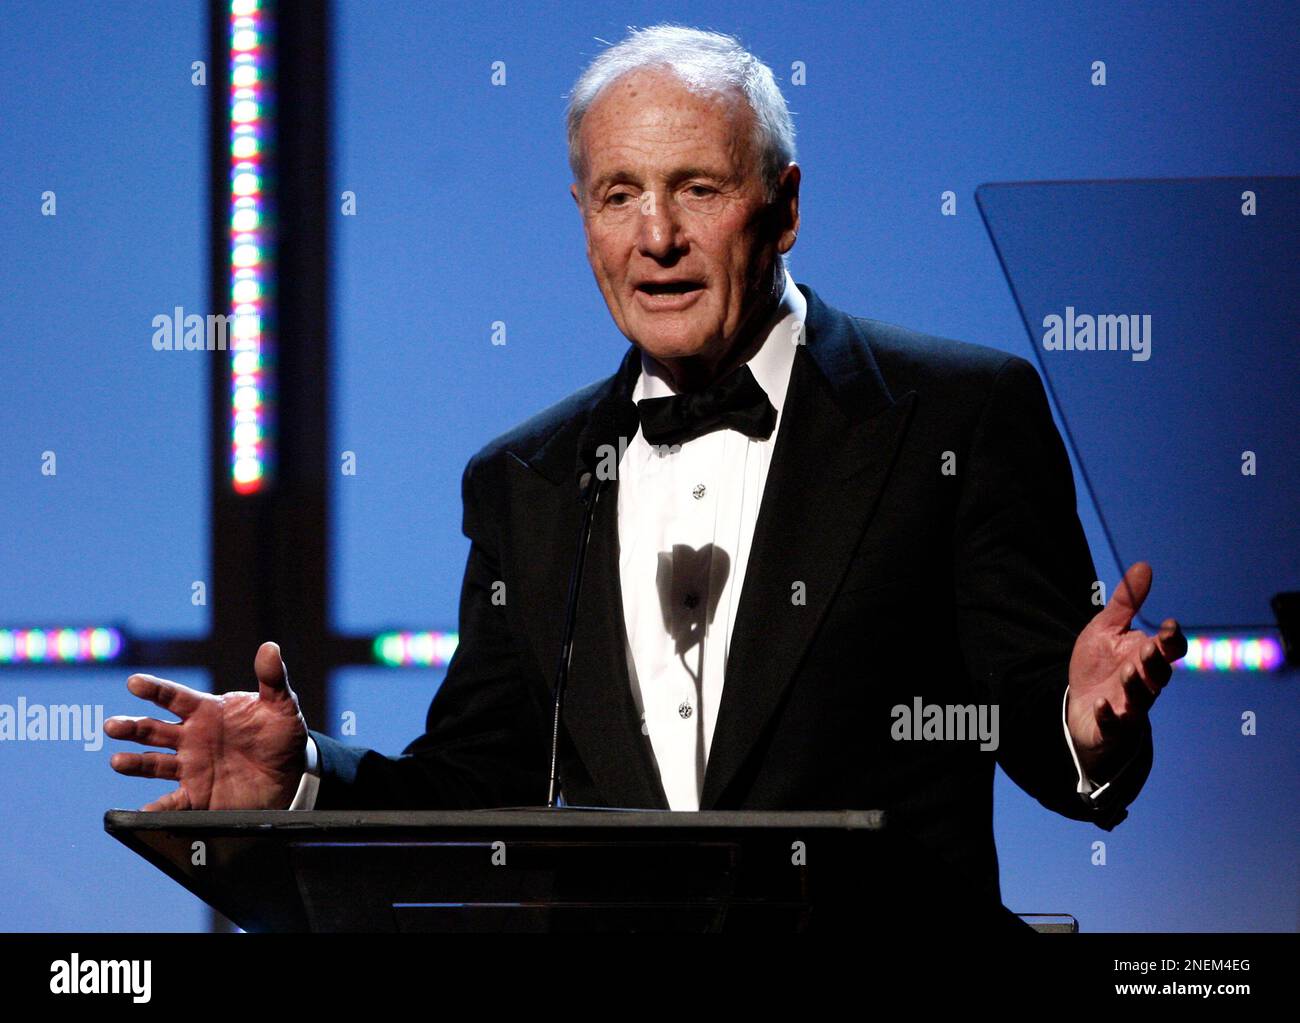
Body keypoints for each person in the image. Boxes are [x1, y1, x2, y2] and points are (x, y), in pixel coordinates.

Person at [107, 25, 1185, 902]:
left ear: (786, 207)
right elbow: (484, 783)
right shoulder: (523, 477)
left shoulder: (957, 412)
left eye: (698, 189)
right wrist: (301, 784)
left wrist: (1080, 717)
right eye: (618, 194)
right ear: (583, 218)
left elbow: (1046, 733)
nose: (655, 234)